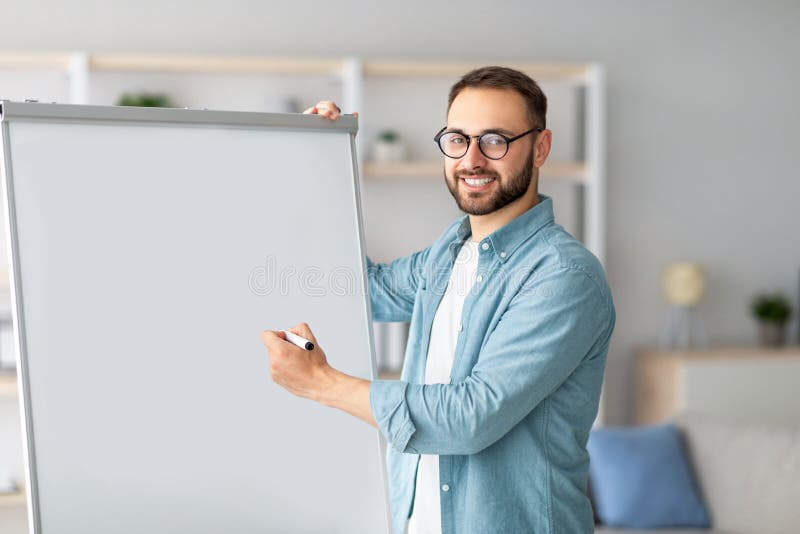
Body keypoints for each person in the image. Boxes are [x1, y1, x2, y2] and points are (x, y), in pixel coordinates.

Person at [261, 66, 615, 534]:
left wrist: (321, 383)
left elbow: (470, 417)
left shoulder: (564, 277)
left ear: (541, 147)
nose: (472, 159)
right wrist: (315, 160)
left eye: (495, 140)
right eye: (457, 139)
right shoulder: (447, 255)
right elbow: (356, 289)